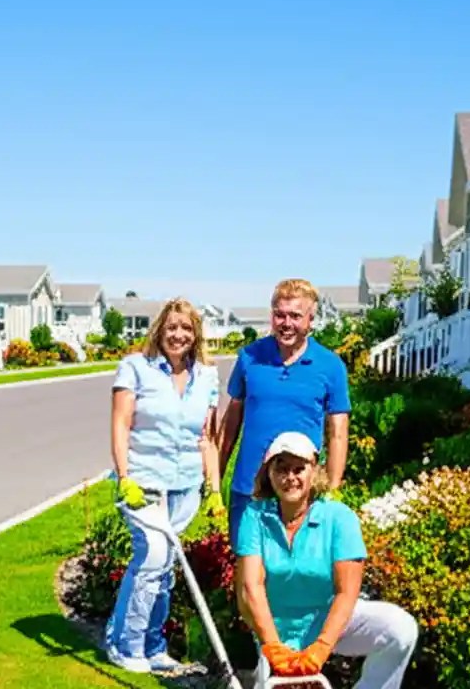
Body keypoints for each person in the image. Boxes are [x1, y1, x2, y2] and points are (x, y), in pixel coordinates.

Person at [237, 431, 418, 688]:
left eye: (299, 469)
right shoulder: (254, 517)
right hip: (276, 629)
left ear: (314, 472)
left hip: (331, 621)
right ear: (268, 472)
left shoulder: (339, 517)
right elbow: (250, 589)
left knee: (399, 629)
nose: (290, 477)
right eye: (282, 468)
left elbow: (347, 592)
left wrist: (321, 647)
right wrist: (273, 646)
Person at [104, 297, 226, 674]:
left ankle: (155, 646)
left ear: (196, 334)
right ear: (159, 329)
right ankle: (123, 643)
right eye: (172, 327)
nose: (178, 335)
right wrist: (125, 478)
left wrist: (214, 488)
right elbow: (121, 424)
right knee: (153, 555)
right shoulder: (135, 368)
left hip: (185, 484)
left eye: (186, 328)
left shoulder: (207, 375)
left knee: (166, 565)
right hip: (143, 482)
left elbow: (208, 437)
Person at [217, 278, 350, 555]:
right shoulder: (249, 357)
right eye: (280, 315)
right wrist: (214, 479)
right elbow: (231, 422)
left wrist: (333, 489)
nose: (286, 323)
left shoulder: (330, 365)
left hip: (300, 491)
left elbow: (338, 432)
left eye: (295, 316)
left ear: (311, 320)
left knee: (294, 573)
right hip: (249, 489)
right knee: (246, 574)